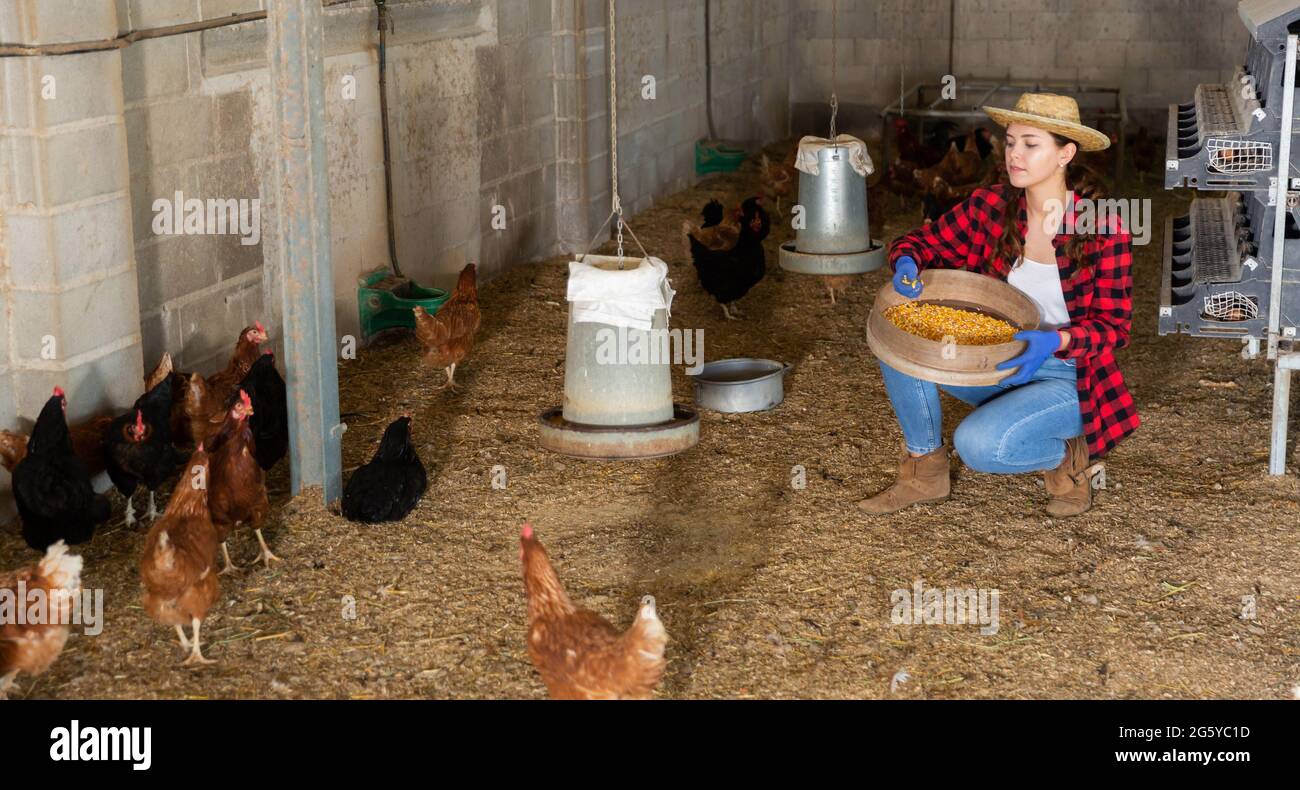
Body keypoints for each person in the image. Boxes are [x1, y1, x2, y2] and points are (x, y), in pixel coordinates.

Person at [860, 93, 1139, 518]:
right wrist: (906, 261)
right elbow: (921, 241)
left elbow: (1114, 328)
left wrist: (1056, 340)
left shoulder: (1103, 226)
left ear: (1065, 153)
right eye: (1010, 142)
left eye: (1031, 144)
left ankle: (1066, 457)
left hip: (1066, 375)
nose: (1014, 154)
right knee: (898, 343)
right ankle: (924, 472)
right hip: (994, 357)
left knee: (978, 447)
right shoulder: (988, 206)